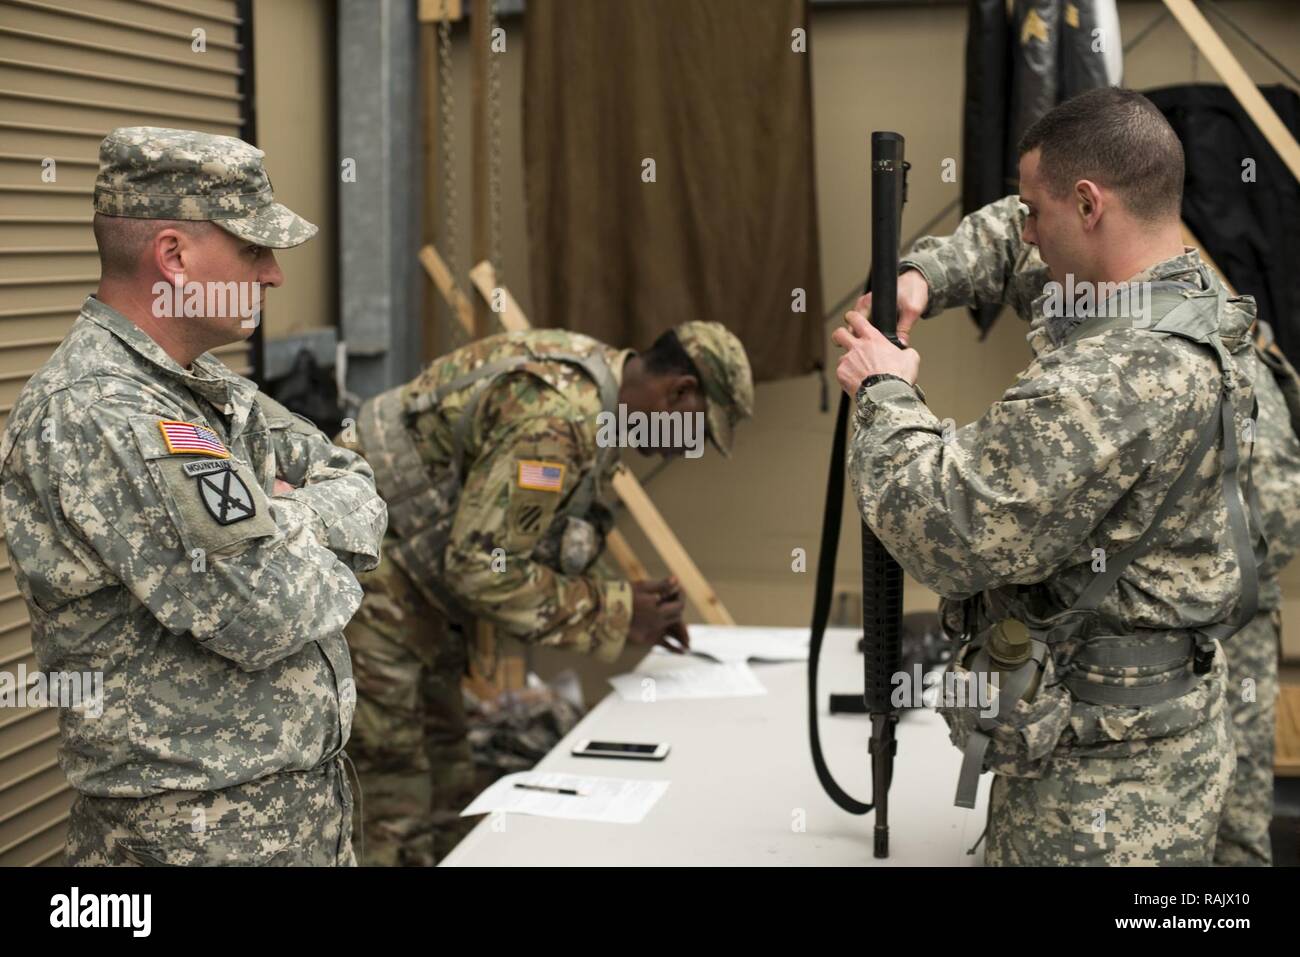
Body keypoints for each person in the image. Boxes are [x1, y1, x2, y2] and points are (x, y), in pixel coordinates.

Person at [834, 88, 1260, 865]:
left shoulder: (1112, 376)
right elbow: (1010, 236)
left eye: (1037, 211)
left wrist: (883, 388)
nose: (1026, 233)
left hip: (1100, 801)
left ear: (1090, 204)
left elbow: (948, 528)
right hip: (1166, 738)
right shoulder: (1192, 305)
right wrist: (925, 276)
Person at [0, 126, 387, 866]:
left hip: (289, 825)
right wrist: (292, 527)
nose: (273, 275)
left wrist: (285, 518)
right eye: (252, 249)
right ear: (174, 257)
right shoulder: (104, 412)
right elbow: (274, 606)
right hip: (192, 845)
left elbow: (358, 481)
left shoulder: (202, 388)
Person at [342, 321, 753, 864]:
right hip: (374, 581)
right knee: (394, 797)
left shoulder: (594, 379)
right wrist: (617, 613)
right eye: (695, 429)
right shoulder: (556, 422)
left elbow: (520, 537)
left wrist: (624, 599)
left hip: (415, 580)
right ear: (678, 390)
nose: (687, 450)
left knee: (450, 782)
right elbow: (482, 570)